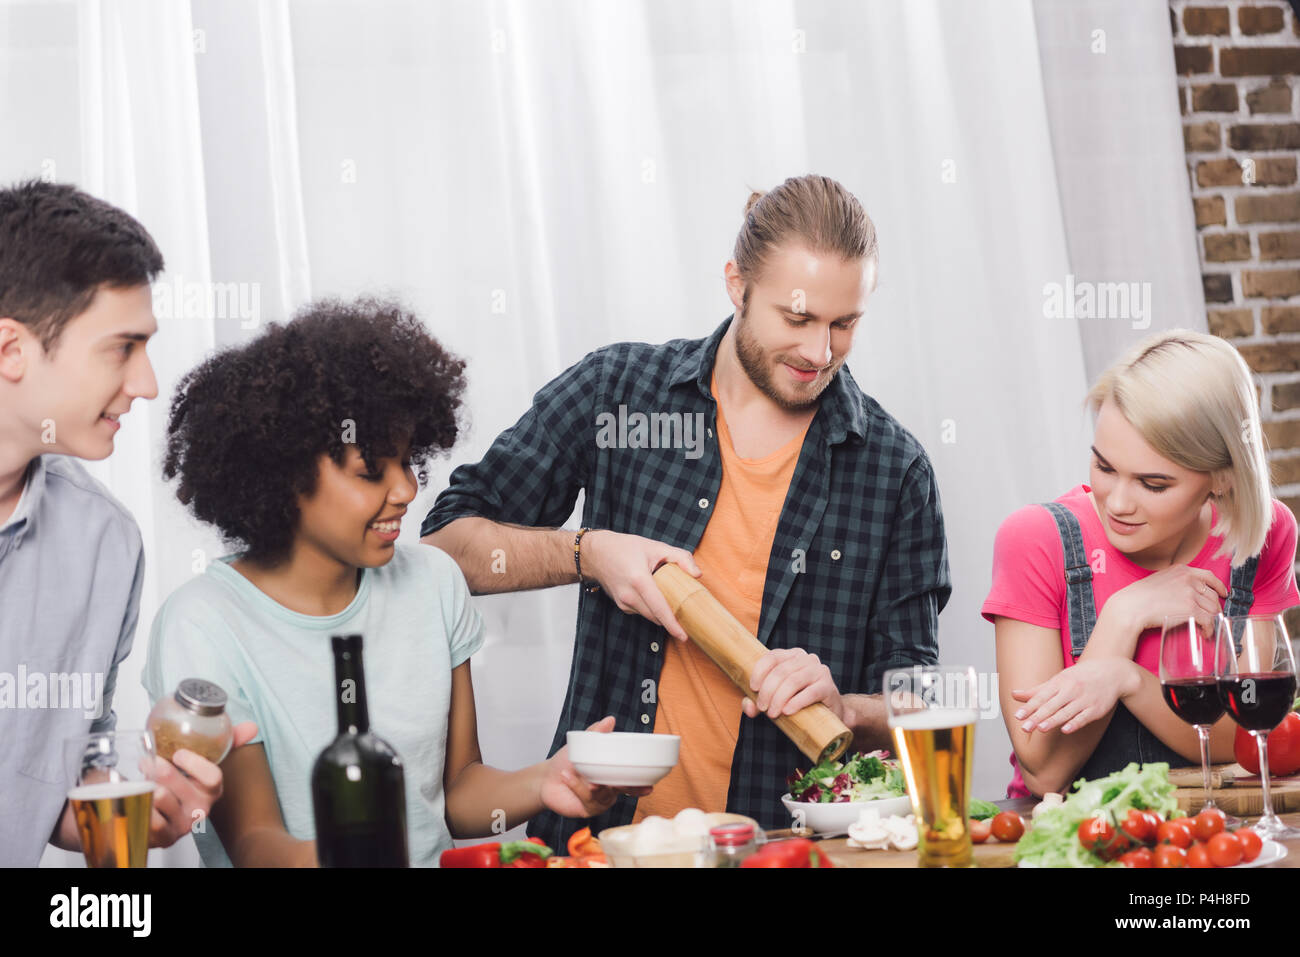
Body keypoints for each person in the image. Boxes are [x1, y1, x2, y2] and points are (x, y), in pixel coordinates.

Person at [423, 174, 951, 848]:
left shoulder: (894, 470)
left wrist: (846, 706)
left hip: (777, 854)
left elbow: (924, 704)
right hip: (596, 846)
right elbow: (444, 547)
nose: (820, 353)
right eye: (797, 318)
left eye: (843, 324)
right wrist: (589, 554)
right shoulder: (619, 394)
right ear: (737, 284)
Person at [144, 297, 645, 867]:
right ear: (283, 473)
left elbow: (457, 793)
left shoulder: (433, 583)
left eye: (408, 462)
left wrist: (549, 779)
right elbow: (257, 845)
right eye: (371, 470)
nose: (407, 489)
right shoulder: (204, 622)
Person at [0, 179, 255, 866]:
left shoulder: (104, 544)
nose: (147, 384)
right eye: (122, 347)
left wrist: (141, 811)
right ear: (10, 350)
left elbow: (60, 786)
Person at [984, 329, 1300, 797]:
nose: (1118, 504)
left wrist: (1128, 679)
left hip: (1213, 832)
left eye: (1153, 484)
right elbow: (1045, 770)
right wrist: (1123, 617)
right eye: (1104, 467)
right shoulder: (1035, 539)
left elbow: (1245, 739)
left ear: (1222, 480)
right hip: (1075, 836)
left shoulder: (1261, 536)